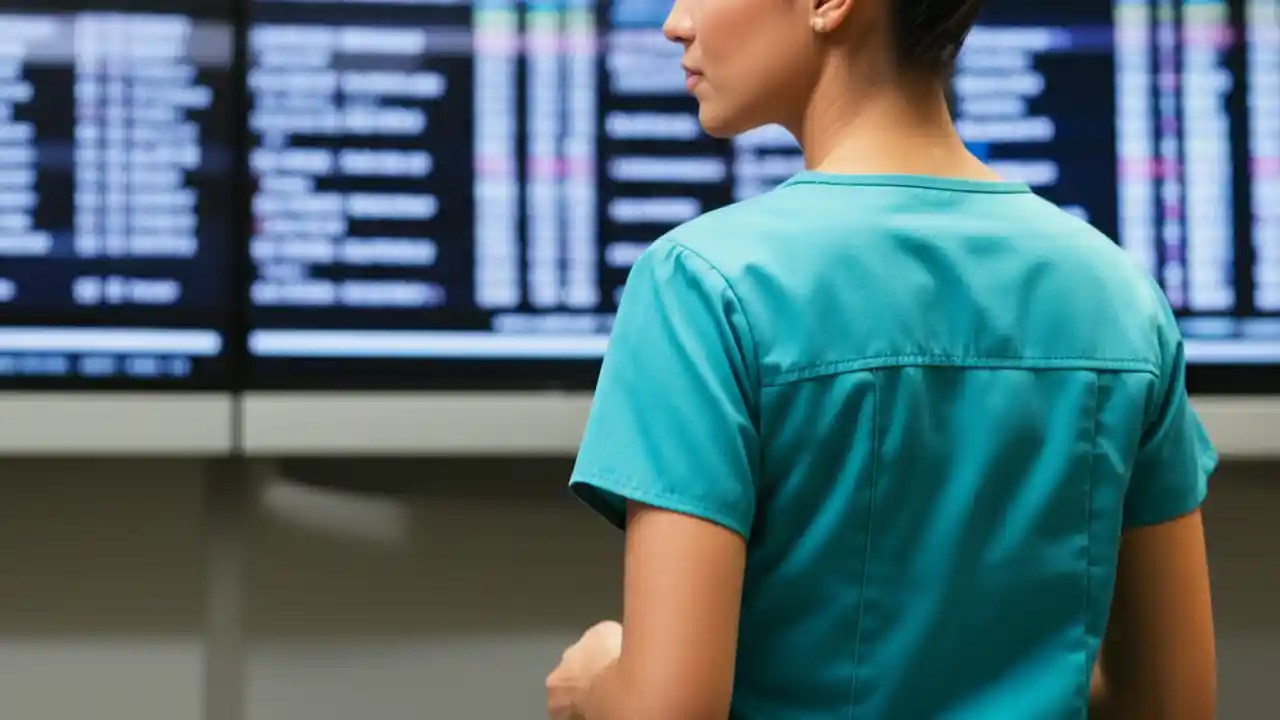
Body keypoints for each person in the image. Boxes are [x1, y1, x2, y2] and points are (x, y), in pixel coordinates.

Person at [545, 0, 1218, 717]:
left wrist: (595, 678)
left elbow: (667, 710)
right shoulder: (1118, 294)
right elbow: (1172, 701)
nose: (674, 22)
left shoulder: (703, 284)